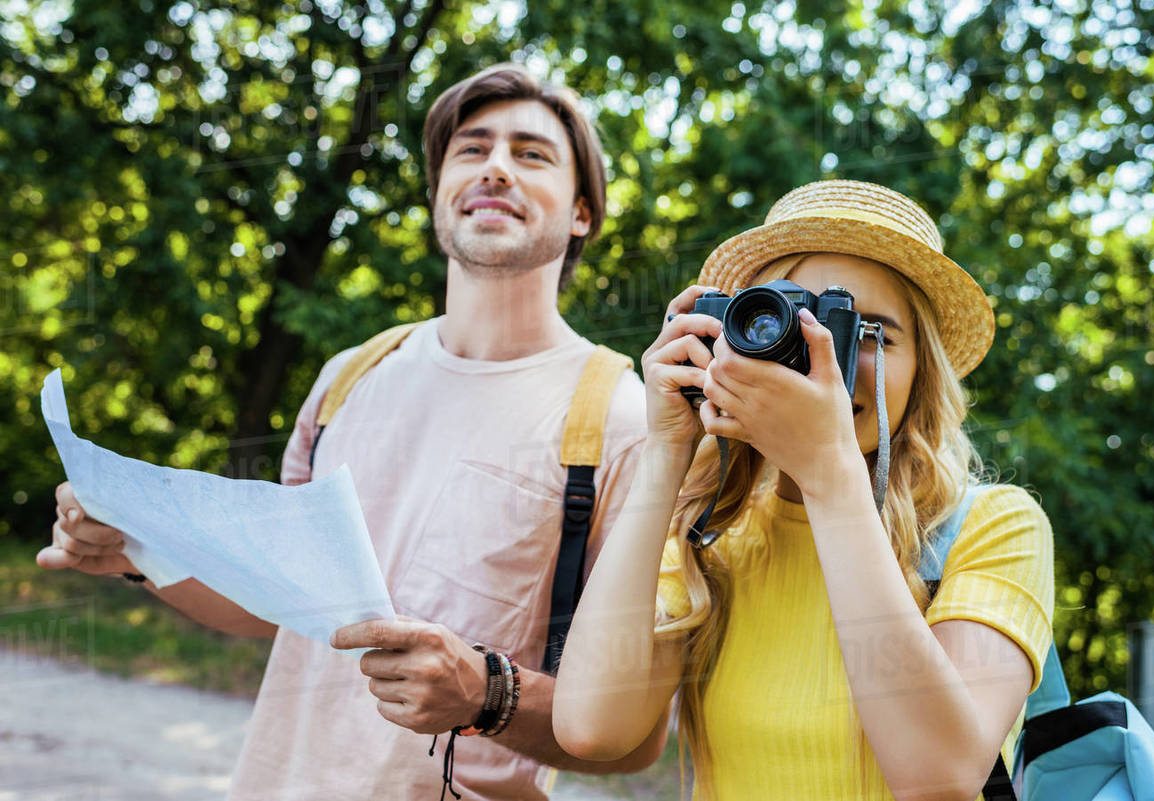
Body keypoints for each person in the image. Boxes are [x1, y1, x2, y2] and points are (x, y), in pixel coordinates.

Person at [40, 64, 663, 800]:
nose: (496, 167)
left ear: (582, 211)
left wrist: (484, 692)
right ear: (439, 191)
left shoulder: (623, 422)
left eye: (531, 154)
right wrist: (131, 555)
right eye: (472, 148)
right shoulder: (351, 376)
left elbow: (633, 736)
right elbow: (273, 607)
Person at [552, 180, 1055, 800]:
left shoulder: (994, 525)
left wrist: (827, 469)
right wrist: (667, 452)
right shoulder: (711, 539)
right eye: (795, 323)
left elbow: (939, 779)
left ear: (922, 372)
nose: (824, 358)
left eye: (867, 332)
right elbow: (591, 728)